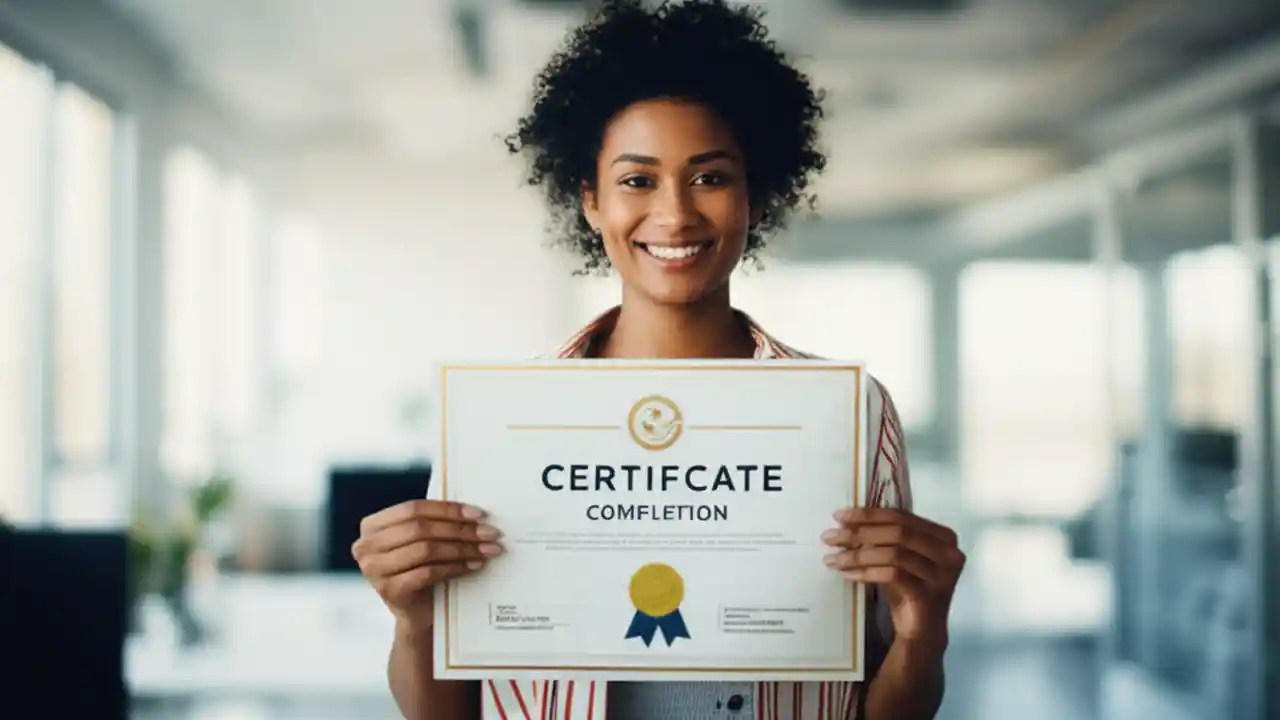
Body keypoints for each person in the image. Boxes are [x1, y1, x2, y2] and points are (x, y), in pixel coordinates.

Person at [351, 1, 965, 718]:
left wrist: (923, 635)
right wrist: (415, 621)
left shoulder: (852, 412)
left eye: (710, 178)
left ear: (756, 194)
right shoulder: (501, 421)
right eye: (637, 180)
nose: (675, 214)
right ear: (590, 200)